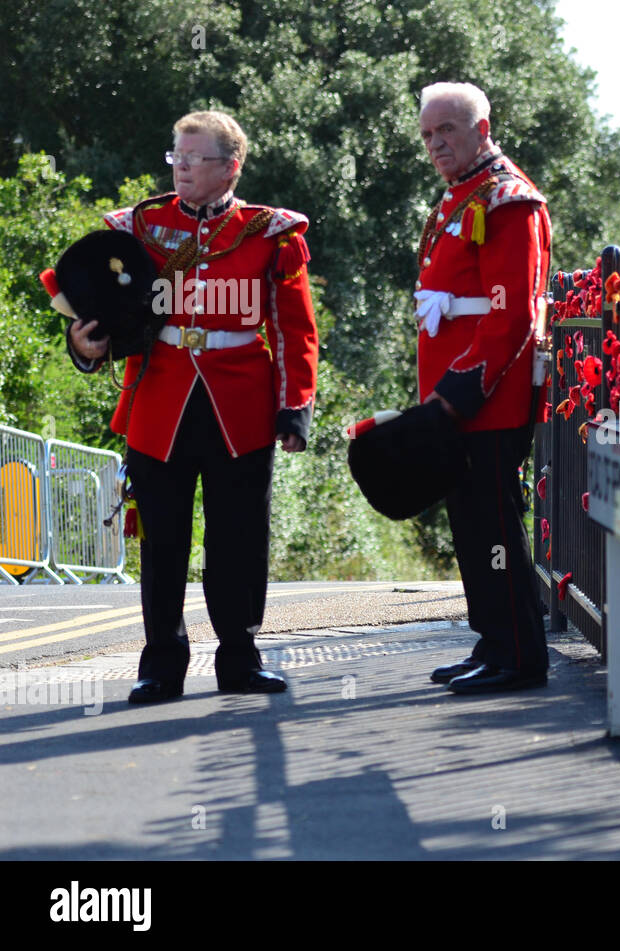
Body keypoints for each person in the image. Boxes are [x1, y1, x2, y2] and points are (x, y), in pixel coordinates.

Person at [62, 110, 318, 703]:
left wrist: (294, 406)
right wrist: (81, 343)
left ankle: (241, 659)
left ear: (231, 166)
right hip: (159, 399)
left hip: (241, 405)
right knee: (163, 538)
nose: (180, 169)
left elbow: (291, 329)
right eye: (175, 157)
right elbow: (96, 309)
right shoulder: (138, 226)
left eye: (194, 159)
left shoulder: (269, 233)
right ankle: (160, 664)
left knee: (238, 537)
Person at [414, 82, 551, 694]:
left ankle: (520, 655)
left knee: (494, 524)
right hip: (456, 397)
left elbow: (511, 315)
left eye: (447, 129)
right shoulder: (463, 195)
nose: (436, 143)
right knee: (471, 526)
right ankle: (493, 641)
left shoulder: (507, 199)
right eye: (427, 134)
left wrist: (457, 392)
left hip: (485, 398)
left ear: (482, 127)